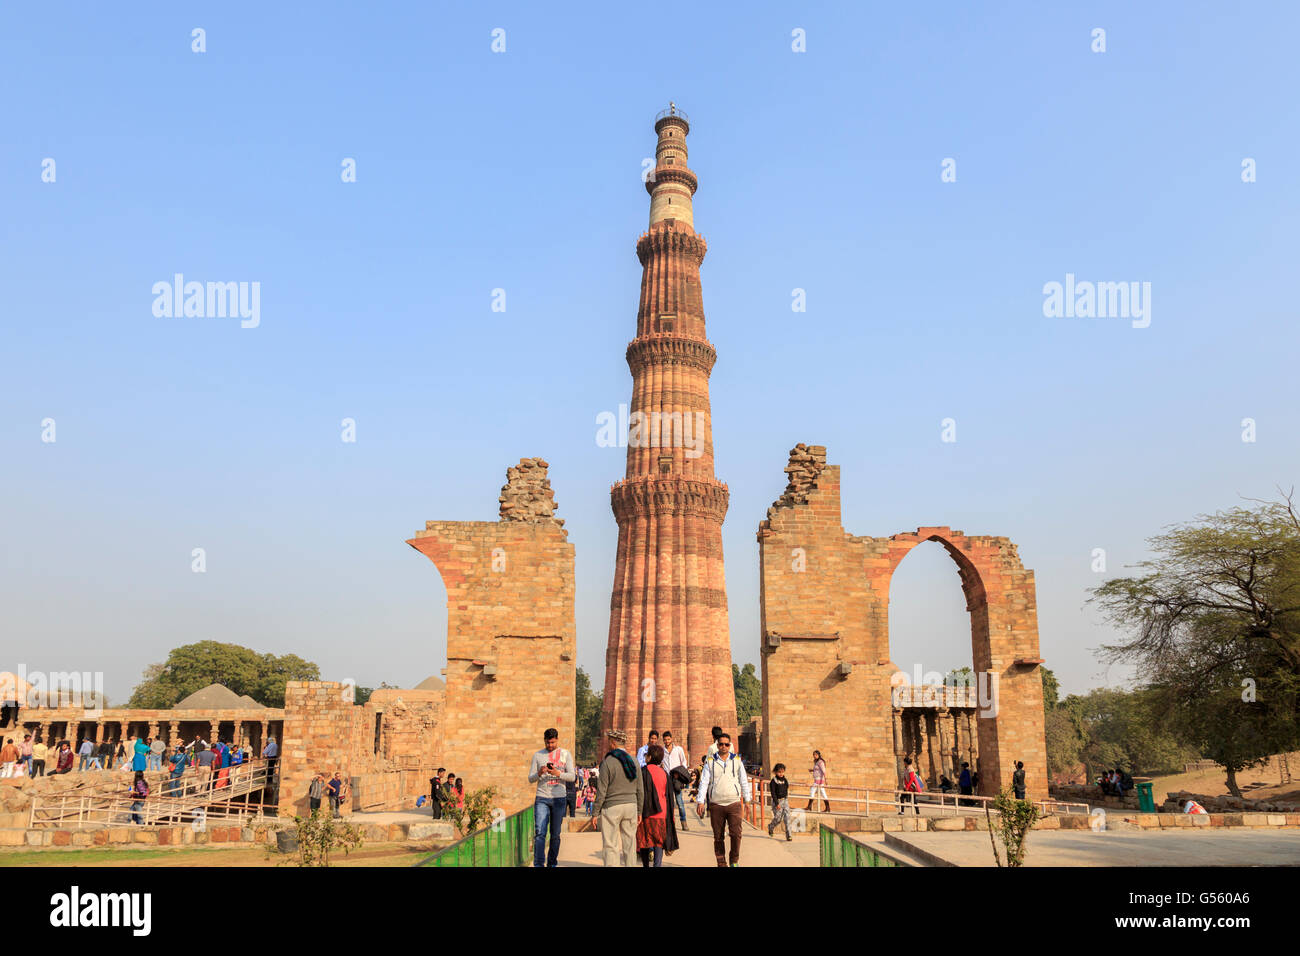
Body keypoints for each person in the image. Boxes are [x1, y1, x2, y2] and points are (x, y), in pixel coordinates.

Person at [696, 732, 751, 867]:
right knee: (718, 836)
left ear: (730, 745)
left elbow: (743, 780)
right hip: (717, 803)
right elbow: (704, 781)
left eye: (726, 744)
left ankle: (734, 860)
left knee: (736, 834)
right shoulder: (710, 761)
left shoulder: (737, 760)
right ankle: (721, 863)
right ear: (717, 745)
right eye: (721, 744)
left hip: (734, 802)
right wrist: (700, 800)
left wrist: (747, 800)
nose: (724, 747)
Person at [593, 729, 643, 867]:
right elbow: (640, 789)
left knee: (610, 845)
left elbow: (601, 791)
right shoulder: (634, 761)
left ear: (613, 743)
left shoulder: (608, 762)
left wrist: (595, 813)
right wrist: (639, 810)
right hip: (631, 806)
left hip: (612, 807)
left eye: (609, 741)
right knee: (630, 844)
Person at [527, 727, 575, 867]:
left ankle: (552, 863)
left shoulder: (565, 754)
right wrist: (540, 773)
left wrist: (558, 773)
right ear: (544, 741)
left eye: (553, 743)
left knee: (555, 835)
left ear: (557, 740)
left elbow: (572, 776)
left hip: (559, 798)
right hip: (542, 797)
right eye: (548, 743)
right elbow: (530, 779)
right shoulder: (538, 755)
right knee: (540, 833)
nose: (550, 746)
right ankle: (539, 864)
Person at [636, 744, 678, 866]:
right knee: (658, 843)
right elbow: (669, 796)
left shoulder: (643, 772)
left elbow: (639, 793)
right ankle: (657, 864)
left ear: (649, 757)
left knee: (644, 842)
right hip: (661, 814)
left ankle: (645, 865)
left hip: (646, 813)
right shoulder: (664, 773)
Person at [660, 730, 689, 831]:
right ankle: (671, 823)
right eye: (665, 740)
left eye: (668, 739)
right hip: (666, 778)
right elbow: (660, 763)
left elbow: (684, 762)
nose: (667, 741)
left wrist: (680, 772)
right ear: (663, 740)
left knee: (680, 802)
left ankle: (683, 821)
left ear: (671, 739)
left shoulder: (678, 749)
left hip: (676, 778)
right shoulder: (662, 750)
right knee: (669, 803)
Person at [767, 762, 793, 841]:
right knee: (778, 819)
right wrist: (777, 803)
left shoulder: (785, 780)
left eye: (782, 772)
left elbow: (786, 788)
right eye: (779, 772)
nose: (781, 774)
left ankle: (789, 835)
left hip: (785, 801)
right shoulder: (773, 781)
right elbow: (773, 793)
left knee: (787, 818)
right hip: (777, 802)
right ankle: (771, 827)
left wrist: (785, 799)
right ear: (775, 772)